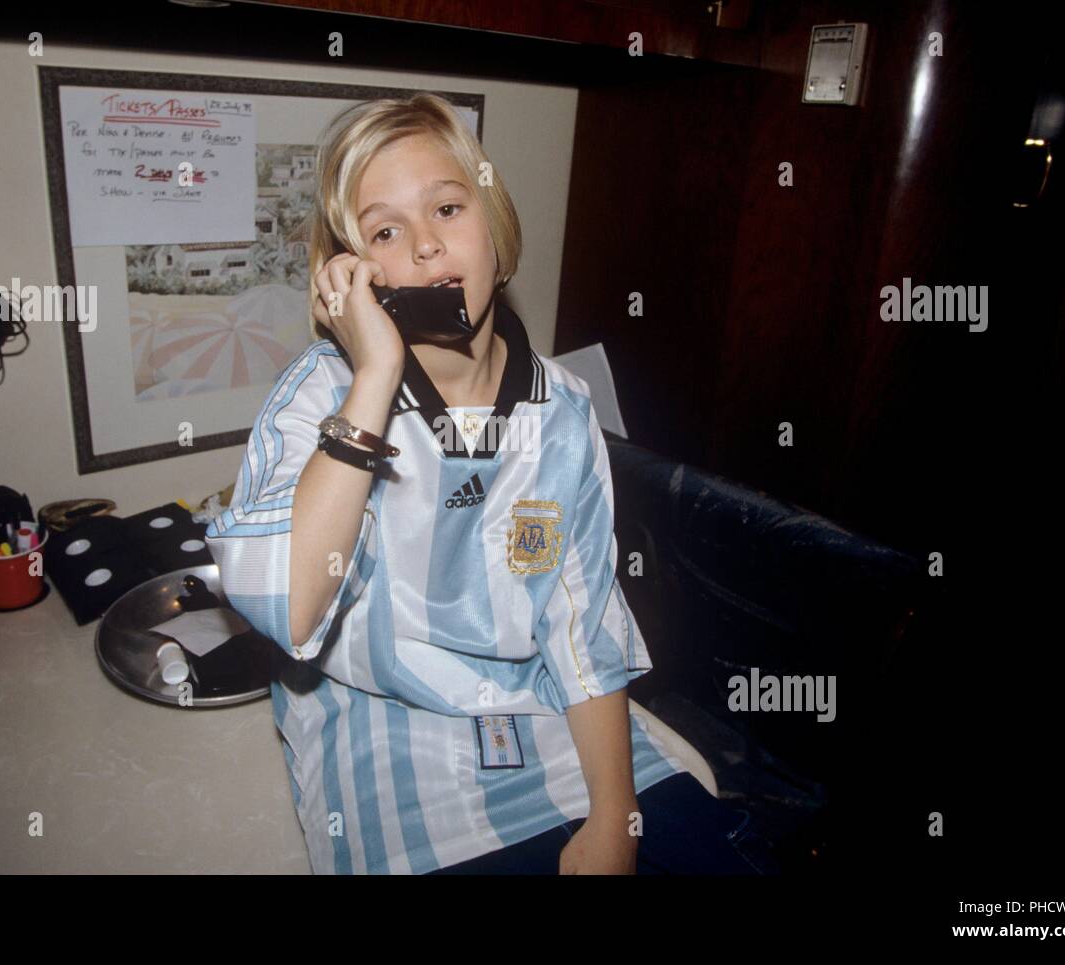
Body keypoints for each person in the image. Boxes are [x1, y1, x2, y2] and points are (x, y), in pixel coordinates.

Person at [205, 92, 779, 875]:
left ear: (493, 221)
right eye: (385, 231)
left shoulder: (563, 413)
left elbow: (580, 625)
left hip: (545, 713)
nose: (427, 246)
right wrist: (373, 377)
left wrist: (617, 813)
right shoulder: (321, 397)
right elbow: (292, 610)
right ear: (351, 274)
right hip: (387, 728)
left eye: (447, 207)